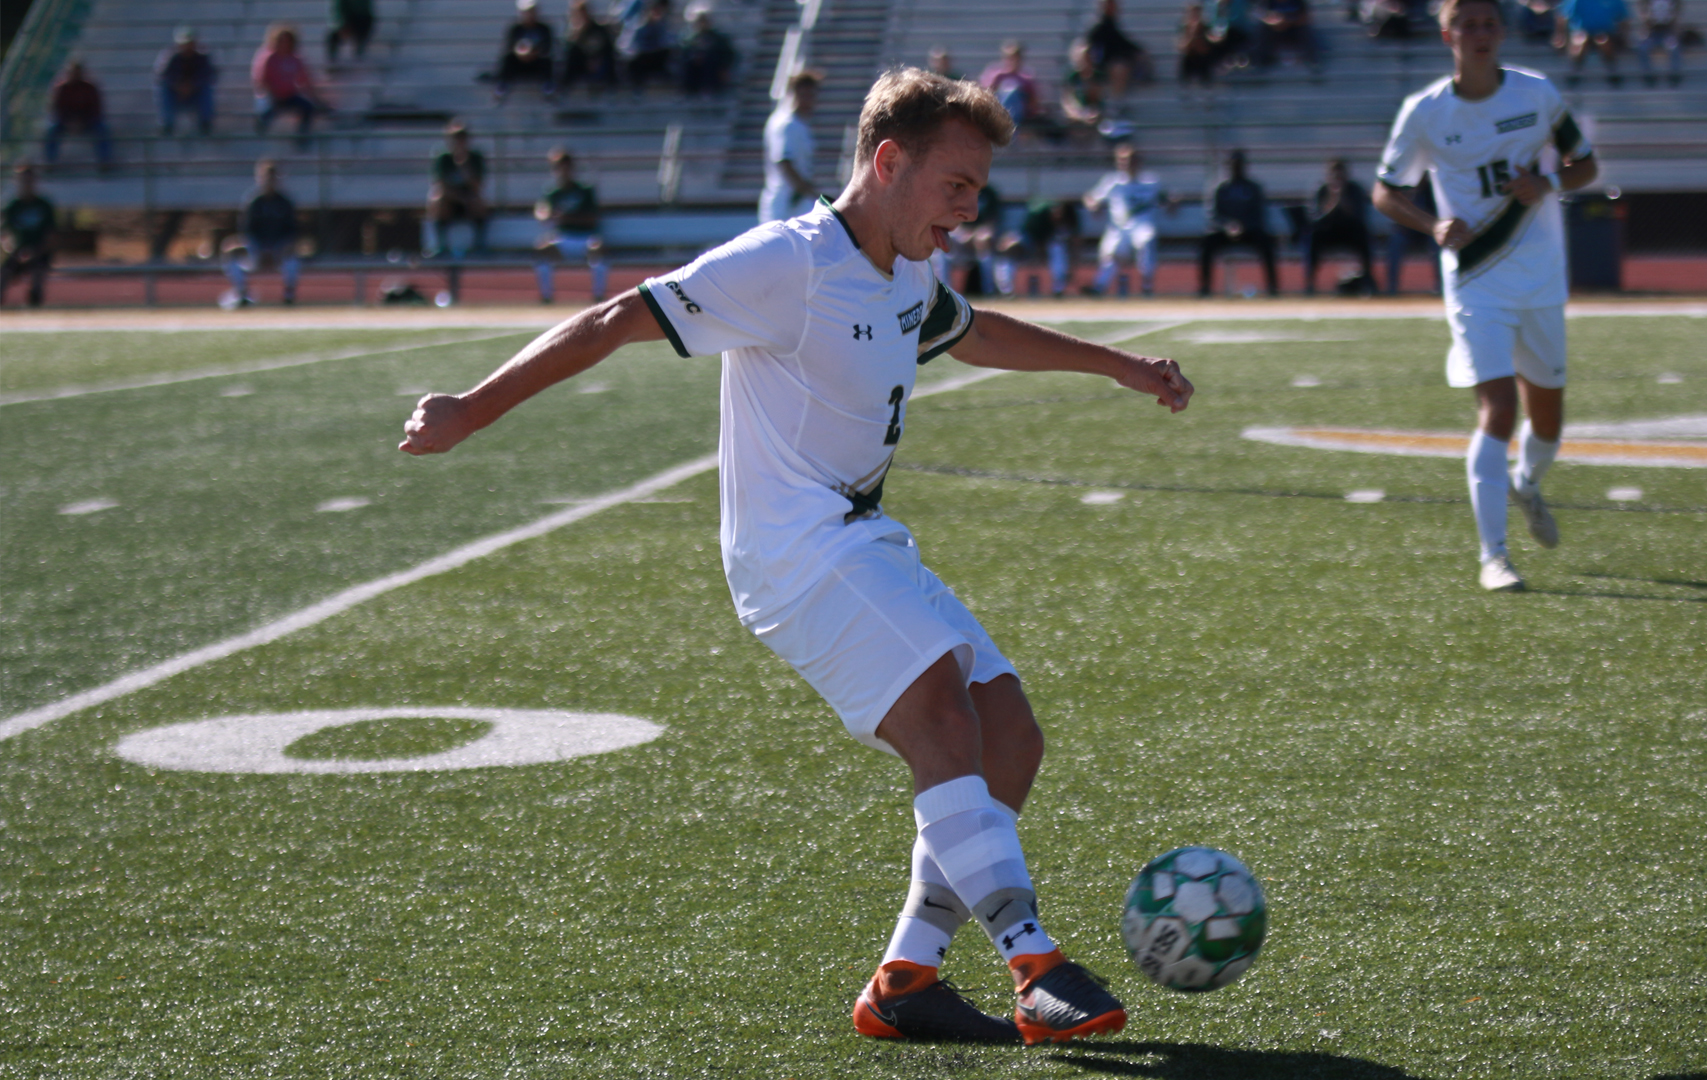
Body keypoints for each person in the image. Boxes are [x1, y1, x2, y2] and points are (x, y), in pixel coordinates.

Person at [397, 66, 1192, 1047]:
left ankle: (907, 981)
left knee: (1010, 734)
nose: (970, 211)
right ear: (887, 161)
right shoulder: (787, 261)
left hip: (859, 536)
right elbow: (613, 322)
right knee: (942, 711)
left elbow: (972, 333)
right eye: (956, 185)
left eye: (979, 191)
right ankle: (1035, 963)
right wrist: (471, 409)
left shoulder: (906, 266)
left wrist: (1119, 365)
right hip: (788, 548)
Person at [1372, 0, 1600, 592]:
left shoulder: (1537, 93)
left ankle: (1527, 484)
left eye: (1488, 23)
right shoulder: (1423, 111)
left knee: (1548, 420)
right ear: (1447, 33)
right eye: (1467, 24)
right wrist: (1432, 225)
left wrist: (1546, 182)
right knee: (1499, 408)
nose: (1479, 33)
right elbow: (1385, 191)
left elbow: (1586, 165)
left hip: (1542, 277)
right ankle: (1493, 556)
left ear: (1501, 31)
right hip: (1474, 279)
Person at [1083, 143, 1169, 296]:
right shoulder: (1112, 181)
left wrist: (1172, 203)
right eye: (1121, 160)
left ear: (1137, 161)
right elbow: (1090, 197)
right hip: (1119, 226)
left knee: (1146, 240)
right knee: (1110, 252)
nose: (1124, 164)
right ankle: (1099, 287)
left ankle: (1147, 285)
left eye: (1128, 160)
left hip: (1142, 224)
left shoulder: (1151, 181)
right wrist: (1093, 205)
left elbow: (1165, 198)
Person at [1198, 149, 1277, 297]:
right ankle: (1204, 288)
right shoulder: (1220, 188)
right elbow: (1213, 214)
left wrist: (1244, 226)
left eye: (1239, 164)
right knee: (1207, 242)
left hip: (1249, 231)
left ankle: (1273, 287)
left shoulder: (1253, 188)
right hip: (1224, 232)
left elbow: (1259, 213)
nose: (1236, 167)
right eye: (1233, 164)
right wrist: (1227, 225)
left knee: (1266, 241)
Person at [534, 148, 609, 303]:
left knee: (598, 250)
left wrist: (566, 218)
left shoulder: (585, 190)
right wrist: (547, 214)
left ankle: (598, 296)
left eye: (565, 166)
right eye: (558, 167)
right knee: (542, 249)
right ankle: (547, 297)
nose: (563, 171)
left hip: (585, 237)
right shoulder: (552, 192)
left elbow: (592, 219)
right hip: (563, 238)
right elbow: (543, 213)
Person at [223, 160, 301, 307]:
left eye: (273, 178)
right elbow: (246, 230)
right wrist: (260, 250)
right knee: (230, 251)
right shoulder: (254, 202)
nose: (269, 182)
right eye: (266, 177)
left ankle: (289, 296)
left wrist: (281, 248)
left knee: (293, 260)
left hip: (280, 251)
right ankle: (242, 294)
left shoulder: (284, 203)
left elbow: (292, 231)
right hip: (256, 250)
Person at [1305, 160, 1376, 295]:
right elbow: (1315, 219)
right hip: (1328, 232)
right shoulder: (1321, 190)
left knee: (1363, 235)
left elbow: (1358, 216)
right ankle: (1310, 283)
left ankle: (1369, 280)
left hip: (1349, 232)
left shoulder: (1355, 190)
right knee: (1312, 237)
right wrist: (1332, 200)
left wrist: (1342, 199)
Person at [759, 70, 820, 224]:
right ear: (793, 94)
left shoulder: (800, 124)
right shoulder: (786, 124)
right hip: (784, 207)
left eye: (812, 95)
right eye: (805, 95)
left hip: (799, 205)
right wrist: (809, 191)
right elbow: (784, 163)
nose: (810, 100)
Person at [427, 121, 490, 256]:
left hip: (469, 198)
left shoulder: (475, 158)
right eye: (456, 138)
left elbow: (477, 186)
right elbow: (441, 186)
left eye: (462, 137)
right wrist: (459, 198)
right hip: (451, 198)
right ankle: (440, 244)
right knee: (437, 200)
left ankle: (480, 244)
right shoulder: (443, 158)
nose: (459, 141)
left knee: (478, 201)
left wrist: (464, 167)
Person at [252, 26, 325, 142]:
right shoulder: (268, 58)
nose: (285, 44)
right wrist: (273, 94)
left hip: (289, 95)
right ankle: (259, 135)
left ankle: (302, 137)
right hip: (272, 95)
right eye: (282, 40)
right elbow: (261, 80)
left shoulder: (295, 59)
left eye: (288, 41)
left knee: (308, 107)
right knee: (265, 112)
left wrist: (317, 99)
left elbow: (305, 80)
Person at [996, 198, 1080, 296]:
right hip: (1029, 240)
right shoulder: (1040, 212)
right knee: (1009, 250)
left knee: (1058, 249)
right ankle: (1006, 290)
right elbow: (1026, 233)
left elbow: (1072, 240)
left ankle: (1058, 288)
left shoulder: (1067, 220)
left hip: (1049, 245)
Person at [2, 165, 56, 309]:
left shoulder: (44, 206)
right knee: (3, 274)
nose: (26, 184)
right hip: (17, 253)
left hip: (39, 253)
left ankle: (34, 307)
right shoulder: (13, 206)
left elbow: (50, 236)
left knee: (38, 274)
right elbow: (5, 235)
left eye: (29, 180)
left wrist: (34, 252)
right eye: (23, 180)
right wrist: (14, 251)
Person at [45, 61, 112, 167]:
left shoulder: (90, 88)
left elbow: (96, 109)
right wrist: (68, 122)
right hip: (65, 122)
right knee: (51, 130)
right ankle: (49, 162)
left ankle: (105, 161)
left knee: (102, 129)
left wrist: (83, 122)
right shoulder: (61, 89)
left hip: (87, 122)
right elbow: (57, 109)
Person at [155, 28, 217, 137]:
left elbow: (209, 75)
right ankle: (167, 124)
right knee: (163, 90)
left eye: (190, 43)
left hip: (195, 94)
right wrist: (178, 86)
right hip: (175, 94)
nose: (187, 47)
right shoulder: (170, 57)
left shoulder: (202, 57)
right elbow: (161, 76)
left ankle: (205, 123)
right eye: (184, 44)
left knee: (207, 88)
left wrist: (192, 86)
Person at [1084, 0, 1144, 108]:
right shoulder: (1098, 26)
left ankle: (1117, 100)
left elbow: (1122, 42)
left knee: (1121, 66)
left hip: (1114, 61)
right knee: (1119, 68)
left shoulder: (1113, 24)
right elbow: (1090, 47)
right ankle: (1114, 103)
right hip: (1102, 65)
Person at [1556, 0, 1630, 87]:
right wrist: (1560, 36)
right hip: (1582, 32)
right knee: (1579, 41)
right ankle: (1575, 71)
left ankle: (1612, 70)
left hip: (1605, 33)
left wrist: (1624, 37)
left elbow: (1623, 18)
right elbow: (1563, 16)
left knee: (1603, 41)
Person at [497, 0, 557, 102]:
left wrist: (534, 52)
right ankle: (503, 85)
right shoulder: (515, 29)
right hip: (520, 63)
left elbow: (548, 47)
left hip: (536, 62)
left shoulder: (544, 28)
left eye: (532, 11)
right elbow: (509, 47)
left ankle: (548, 86)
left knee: (547, 61)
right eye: (526, 12)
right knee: (508, 58)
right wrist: (520, 53)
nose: (529, 15)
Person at [561, 0, 619, 95]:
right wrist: (577, 33)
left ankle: (612, 87)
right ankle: (565, 89)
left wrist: (597, 60)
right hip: (582, 64)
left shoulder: (599, 29)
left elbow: (607, 48)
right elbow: (567, 50)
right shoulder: (572, 33)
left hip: (598, 64)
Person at [980, 41, 1042, 128]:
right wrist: (998, 79)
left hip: (1020, 114)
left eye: (1015, 57)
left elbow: (1034, 102)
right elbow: (985, 94)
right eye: (1009, 57)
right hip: (997, 110)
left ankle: (1009, 122)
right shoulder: (994, 73)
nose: (1012, 60)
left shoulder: (1026, 76)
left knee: (1013, 93)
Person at [620, 0, 676, 93]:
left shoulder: (662, 26)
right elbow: (629, 44)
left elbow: (667, 42)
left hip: (655, 57)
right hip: (641, 56)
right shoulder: (638, 26)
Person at [679, 7, 735, 97]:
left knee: (710, 61)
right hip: (696, 67)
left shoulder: (717, 38)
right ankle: (689, 90)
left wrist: (724, 66)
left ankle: (708, 89)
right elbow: (685, 51)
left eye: (703, 21)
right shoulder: (691, 38)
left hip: (712, 67)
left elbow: (728, 53)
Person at [1258, 0, 1319, 70]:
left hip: (1294, 30)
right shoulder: (1268, 2)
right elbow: (1263, 17)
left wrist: (1287, 22)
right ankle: (1261, 61)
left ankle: (1312, 61)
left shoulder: (1298, 2)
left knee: (1305, 31)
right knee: (1263, 30)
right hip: (1275, 31)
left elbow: (1305, 18)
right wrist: (1275, 22)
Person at [1635, 0, 1681, 86]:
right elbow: (1642, 12)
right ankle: (1648, 74)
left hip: (1667, 30)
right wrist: (1647, 20)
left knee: (1674, 46)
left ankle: (1675, 74)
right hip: (1652, 32)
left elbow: (1676, 13)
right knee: (1642, 48)